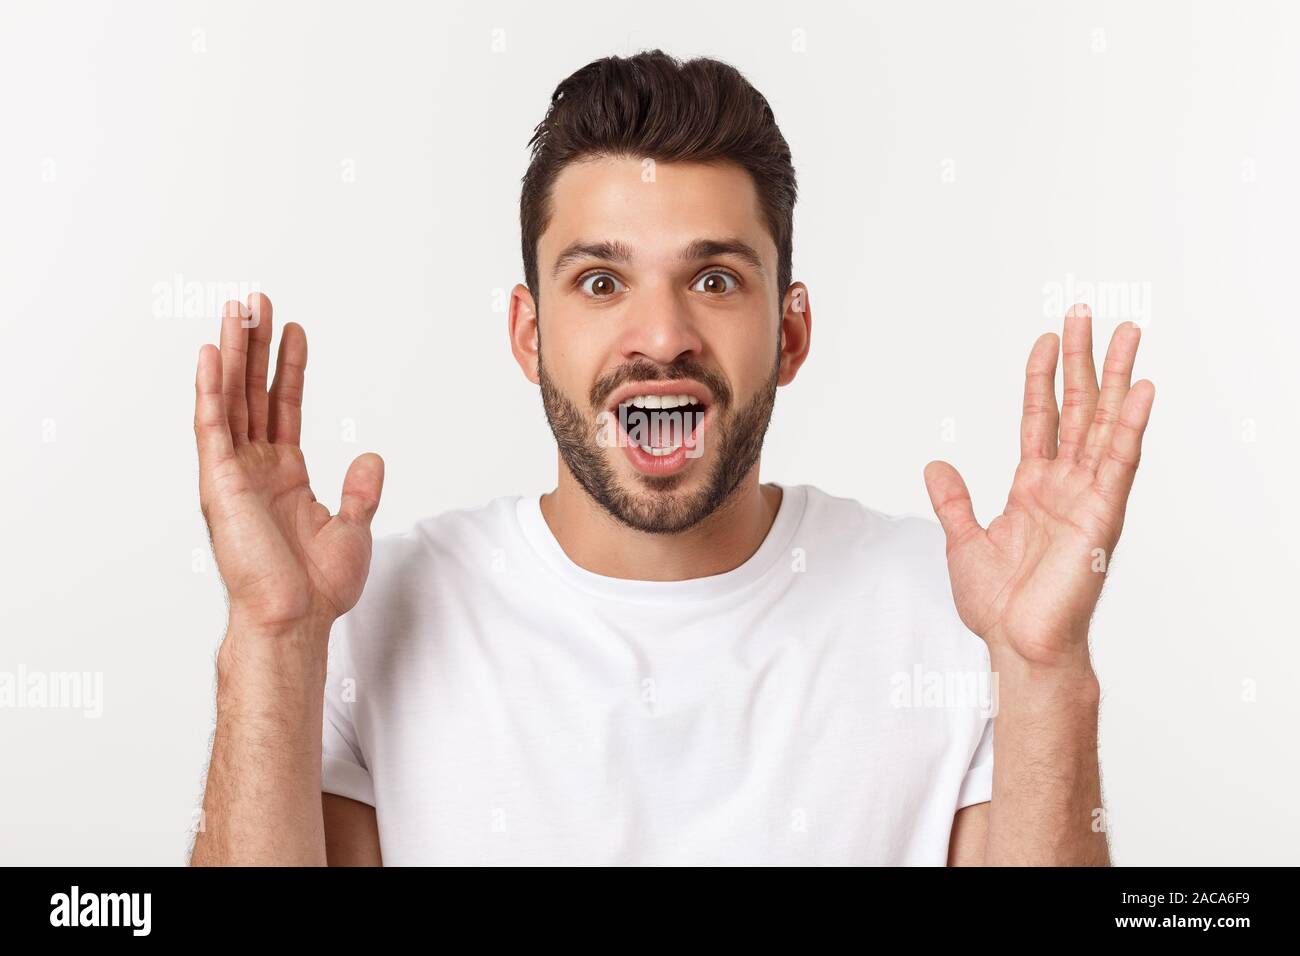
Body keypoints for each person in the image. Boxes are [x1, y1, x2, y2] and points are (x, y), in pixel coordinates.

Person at [189, 50, 1154, 866]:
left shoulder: (953, 612)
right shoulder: (366, 618)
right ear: (529, 335)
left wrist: (1041, 667)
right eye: (602, 281)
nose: (662, 334)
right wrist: (274, 640)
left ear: (790, 331)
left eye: (715, 278)